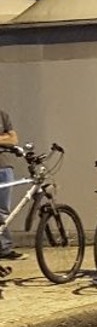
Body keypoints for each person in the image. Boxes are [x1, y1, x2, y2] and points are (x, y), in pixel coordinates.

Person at [0, 107, 22, 260]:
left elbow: (13, 140)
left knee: (3, 211)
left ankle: (4, 248)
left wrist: (7, 139)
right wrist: (3, 138)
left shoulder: (2, 115)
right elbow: (8, 138)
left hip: (4, 168)